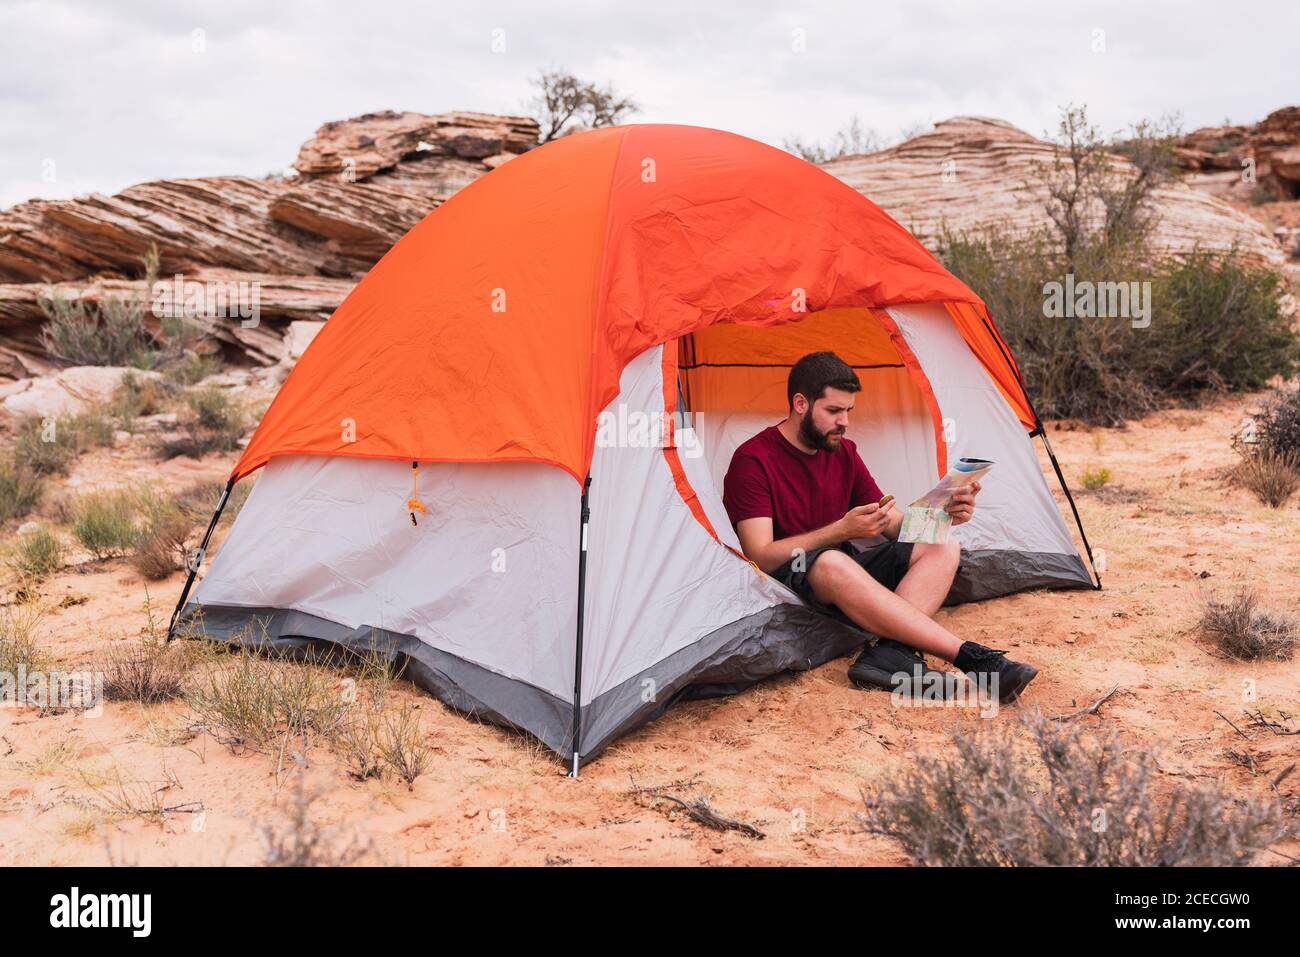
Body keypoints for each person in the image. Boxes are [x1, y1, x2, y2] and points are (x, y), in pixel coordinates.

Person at [721, 351, 1038, 702]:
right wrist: (840, 531)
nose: (844, 421)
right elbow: (759, 555)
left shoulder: (843, 453)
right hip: (793, 578)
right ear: (800, 403)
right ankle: (971, 657)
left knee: (943, 545)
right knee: (831, 560)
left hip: (844, 571)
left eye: (848, 411)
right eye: (833, 411)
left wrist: (944, 515)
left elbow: (892, 524)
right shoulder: (753, 460)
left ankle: (888, 655)